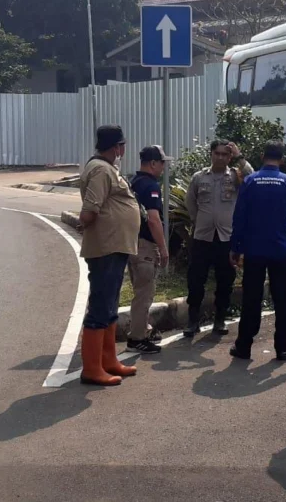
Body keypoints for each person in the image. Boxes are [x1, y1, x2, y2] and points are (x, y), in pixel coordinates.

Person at [229, 140, 286, 361]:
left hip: (254, 250)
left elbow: (239, 217)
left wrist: (235, 247)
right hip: (280, 250)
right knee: (281, 300)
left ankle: (243, 347)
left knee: (251, 299)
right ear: (282, 159)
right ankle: (284, 348)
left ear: (262, 157)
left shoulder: (250, 181)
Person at [76, 125, 140, 386]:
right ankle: (92, 368)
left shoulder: (106, 168)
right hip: (106, 248)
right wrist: (86, 222)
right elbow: (90, 209)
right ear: (117, 147)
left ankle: (108, 360)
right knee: (101, 307)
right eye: (122, 146)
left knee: (110, 306)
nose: (123, 151)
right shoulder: (102, 170)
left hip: (115, 246)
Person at [183, 140, 253, 337]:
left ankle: (220, 319)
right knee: (196, 280)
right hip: (202, 237)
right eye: (217, 153)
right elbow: (190, 201)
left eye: (225, 154)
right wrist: (198, 220)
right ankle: (192, 320)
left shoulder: (236, 176)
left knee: (225, 281)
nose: (221, 157)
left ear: (230, 157)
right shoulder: (199, 177)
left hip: (226, 238)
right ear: (211, 154)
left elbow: (252, 176)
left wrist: (239, 157)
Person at [127, 145, 171, 354]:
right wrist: (163, 249)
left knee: (140, 292)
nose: (163, 167)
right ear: (153, 163)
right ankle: (137, 339)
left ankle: (143, 330)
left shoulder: (134, 182)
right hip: (145, 246)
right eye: (162, 163)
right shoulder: (151, 186)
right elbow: (154, 220)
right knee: (144, 295)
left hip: (132, 244)